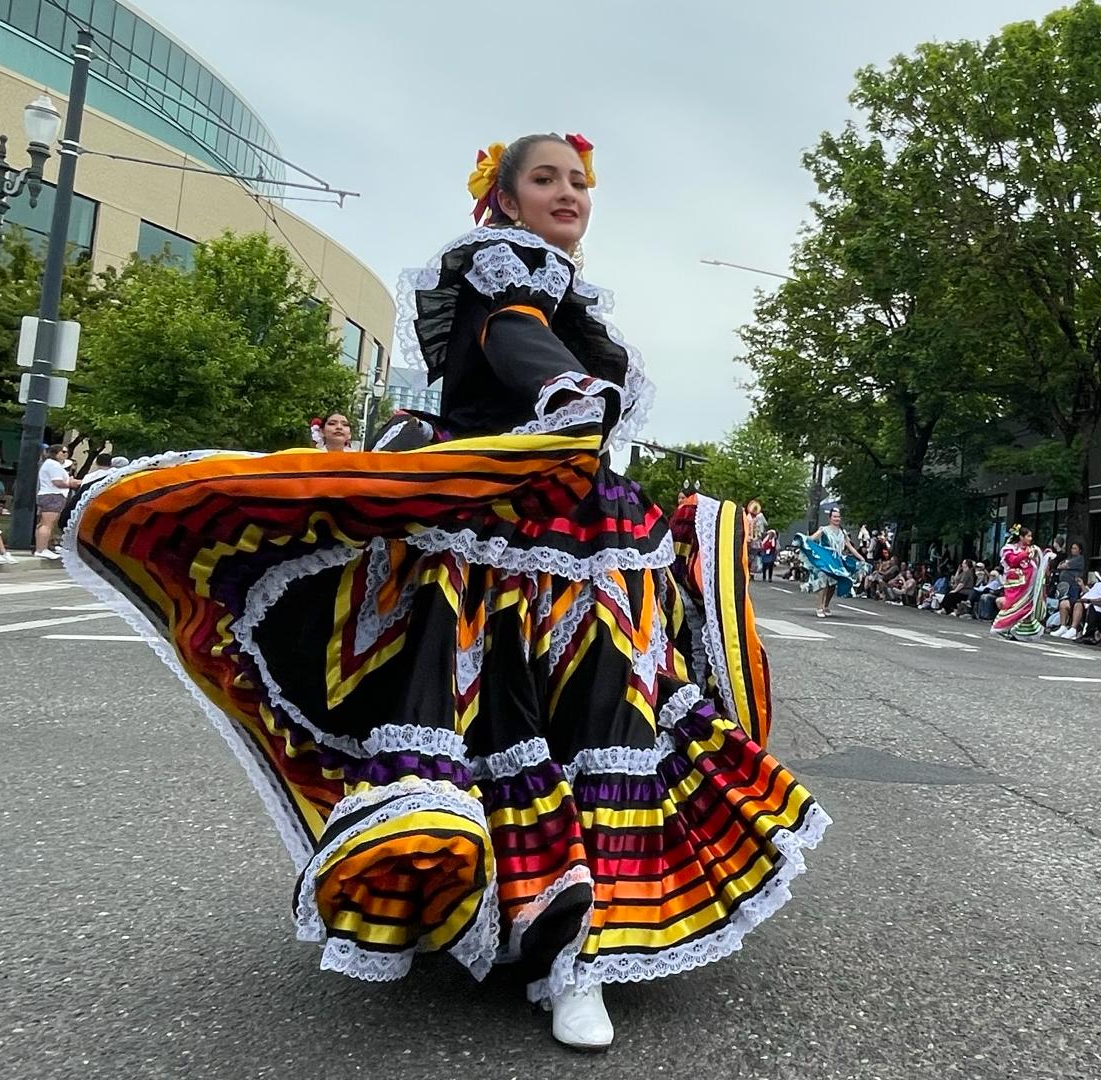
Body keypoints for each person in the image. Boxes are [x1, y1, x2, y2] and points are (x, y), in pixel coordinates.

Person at [61, 133, 827, 1050]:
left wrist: (580, 400)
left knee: (605, 716)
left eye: (579, 180)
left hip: (582, 532)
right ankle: (523, 924)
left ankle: (573, 953)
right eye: (546, 178)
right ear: (502, 198)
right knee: (501, 718)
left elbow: (550, 353)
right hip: (491, 536)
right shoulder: (502, 273)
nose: (569, 192)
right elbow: (513, 338)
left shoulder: (564, 287)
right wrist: (567, 389)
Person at [802, 508, 865, 618]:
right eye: (834, 516)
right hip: (825, 560)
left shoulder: (842, 532)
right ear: (830, 518)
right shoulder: (824, 530)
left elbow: (850, 547)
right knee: (823, 583)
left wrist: (861, 558)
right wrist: (804, 540)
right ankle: (819, 607)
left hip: (836, 562)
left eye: (838, 517)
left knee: (832, 585)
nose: (837, 519)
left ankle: (826, 606)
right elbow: (811, 539)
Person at [992, 524, 1051, 639]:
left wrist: (1045, 557)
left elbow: (1038, 565)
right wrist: (1026, 554)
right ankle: (1004, 628)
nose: (1030, 539)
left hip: (1029, 585)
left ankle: (1018, 632)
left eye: (1030, 536)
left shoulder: (1033, 549)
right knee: (1012, 606)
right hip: (1016, 585)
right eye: (1028, 536)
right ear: (1021, 537)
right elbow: (1012, 561)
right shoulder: (1009, 549)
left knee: (1027, 608)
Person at [33, 443, 79, 559]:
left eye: (66, 452)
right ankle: (41, 549)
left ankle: (42, 547)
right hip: (53, 495)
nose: (65, 454)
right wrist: (71, 483)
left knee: (44, 523)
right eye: (63, 452)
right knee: (47, 524)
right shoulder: (53, 465)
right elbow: (57, 482)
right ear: (55, 453)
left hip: (51, 495)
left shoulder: (51, 464)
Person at [1051, 543, 1088, 640]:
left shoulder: (1079, 559)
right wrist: (1063, 565)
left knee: (1076, 604)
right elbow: (1059, 565)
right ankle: (1063, 626)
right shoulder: (1069, 558)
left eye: (1075, 548)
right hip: (1065, 587)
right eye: (1072, 548)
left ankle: (1073, 629)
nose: (1073, 550)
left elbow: (1064, 566)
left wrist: (1064, 565)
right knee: (1063, 604)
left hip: (1074, 587)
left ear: (1080, 550)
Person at [743, 499, 767, 577]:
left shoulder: (755, 518)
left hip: (753, 540)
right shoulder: (748, 518)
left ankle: (749, 572)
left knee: (752, 557)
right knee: (750, 557)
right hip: (750, 539)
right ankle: (748, 571)